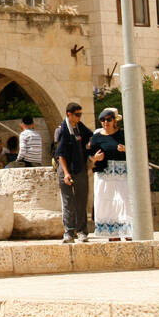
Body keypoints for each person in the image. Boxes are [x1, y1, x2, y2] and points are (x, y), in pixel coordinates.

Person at [53, 102, 93, 243]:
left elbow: (90, 137)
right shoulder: (62, 130)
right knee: (68, 202)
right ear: (69, 114)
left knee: (81, 201)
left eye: (80, 114)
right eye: (77, 114)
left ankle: (82, 231)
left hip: (80, 167)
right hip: (66, 169)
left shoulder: (80, 128)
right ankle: (69, 232)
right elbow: (61, 154)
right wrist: (66, 173)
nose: (79, 117)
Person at [89, 108, 131, 240]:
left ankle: (128, 232)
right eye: (103, 120)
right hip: (104, 176)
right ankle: (112, 234)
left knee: (125, 201)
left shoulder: (123, 134)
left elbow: (138, 151)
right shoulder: (96, 137)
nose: (106, 122)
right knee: (107, 203)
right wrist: (95, 158)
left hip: (122, 175)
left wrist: (126, 150)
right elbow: (90, 159)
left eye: (108, 119)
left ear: (114, 121)